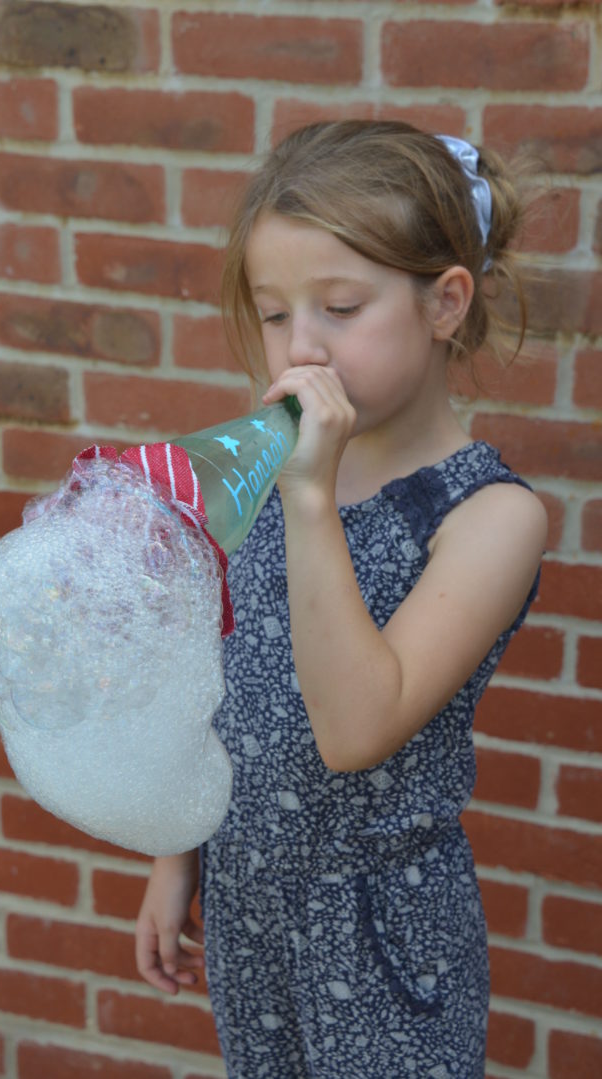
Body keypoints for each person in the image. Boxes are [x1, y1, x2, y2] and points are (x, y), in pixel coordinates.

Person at [135, 120, 547, 1078]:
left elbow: (357, 727)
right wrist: (174, 854)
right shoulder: (273, 462)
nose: (299, 348)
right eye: (276, 314)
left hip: (381, 923)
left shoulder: (486, 516)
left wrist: (310, 497)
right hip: (249, 899)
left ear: (445, 303)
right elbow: (215, 670)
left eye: (341, 306)